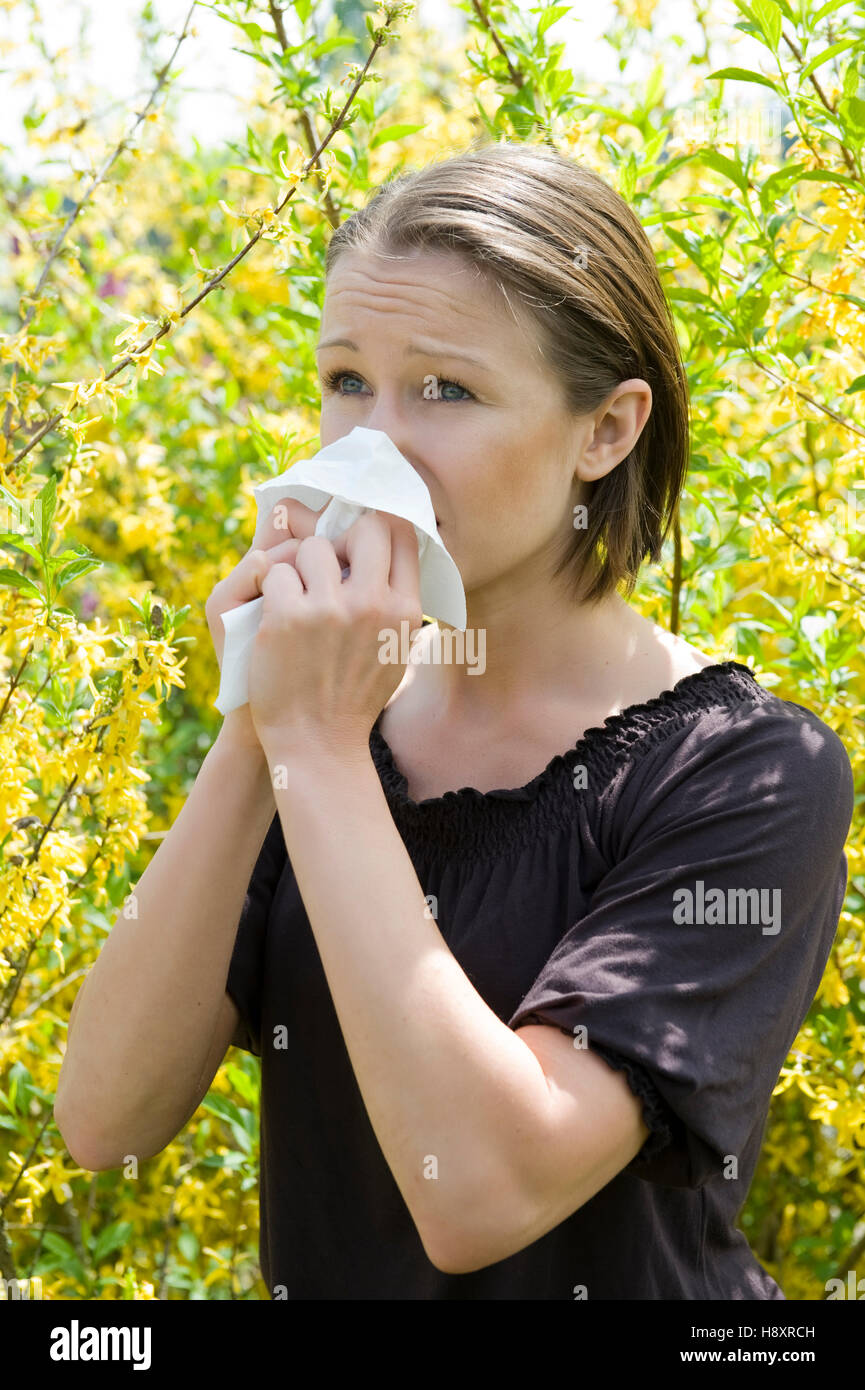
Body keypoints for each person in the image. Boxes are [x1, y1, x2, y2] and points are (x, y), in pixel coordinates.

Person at [55, 140, 854, 1300]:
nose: (372, 447)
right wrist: (255, 725)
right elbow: (107, 1121)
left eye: (446, 390)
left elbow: (481, 1194)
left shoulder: (746, 772)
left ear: (606, 431)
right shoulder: (331, 710)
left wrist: (317, 750)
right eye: (345, 383)